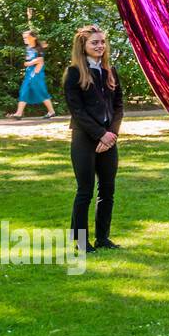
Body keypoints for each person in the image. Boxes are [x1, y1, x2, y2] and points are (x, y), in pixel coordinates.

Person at [64, 25, 124, 253]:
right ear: (83, 46)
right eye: (94, 43)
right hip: (84, 139)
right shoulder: (74, 74)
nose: (100, 46)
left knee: (107, 189)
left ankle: (103, 238)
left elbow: (119, 105)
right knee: (85, 190)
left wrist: (112, 134)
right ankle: (81, 241)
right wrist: (101, 134)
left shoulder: (110, 71)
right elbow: (77, 110)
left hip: (109, 139)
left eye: (102, 42)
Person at [7, 30, 56, 119]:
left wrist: (30, 64)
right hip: (29, 72)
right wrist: (29, 64)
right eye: (23, 37)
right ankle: (19, 113)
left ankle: (51, 111)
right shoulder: (28, 48)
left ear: (33, 38)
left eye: (26, 37)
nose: (24, 39)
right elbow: (30, 59)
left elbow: (40, 61)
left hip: (37, 72)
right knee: (24, 90)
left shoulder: (38, 48)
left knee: (40, 91)